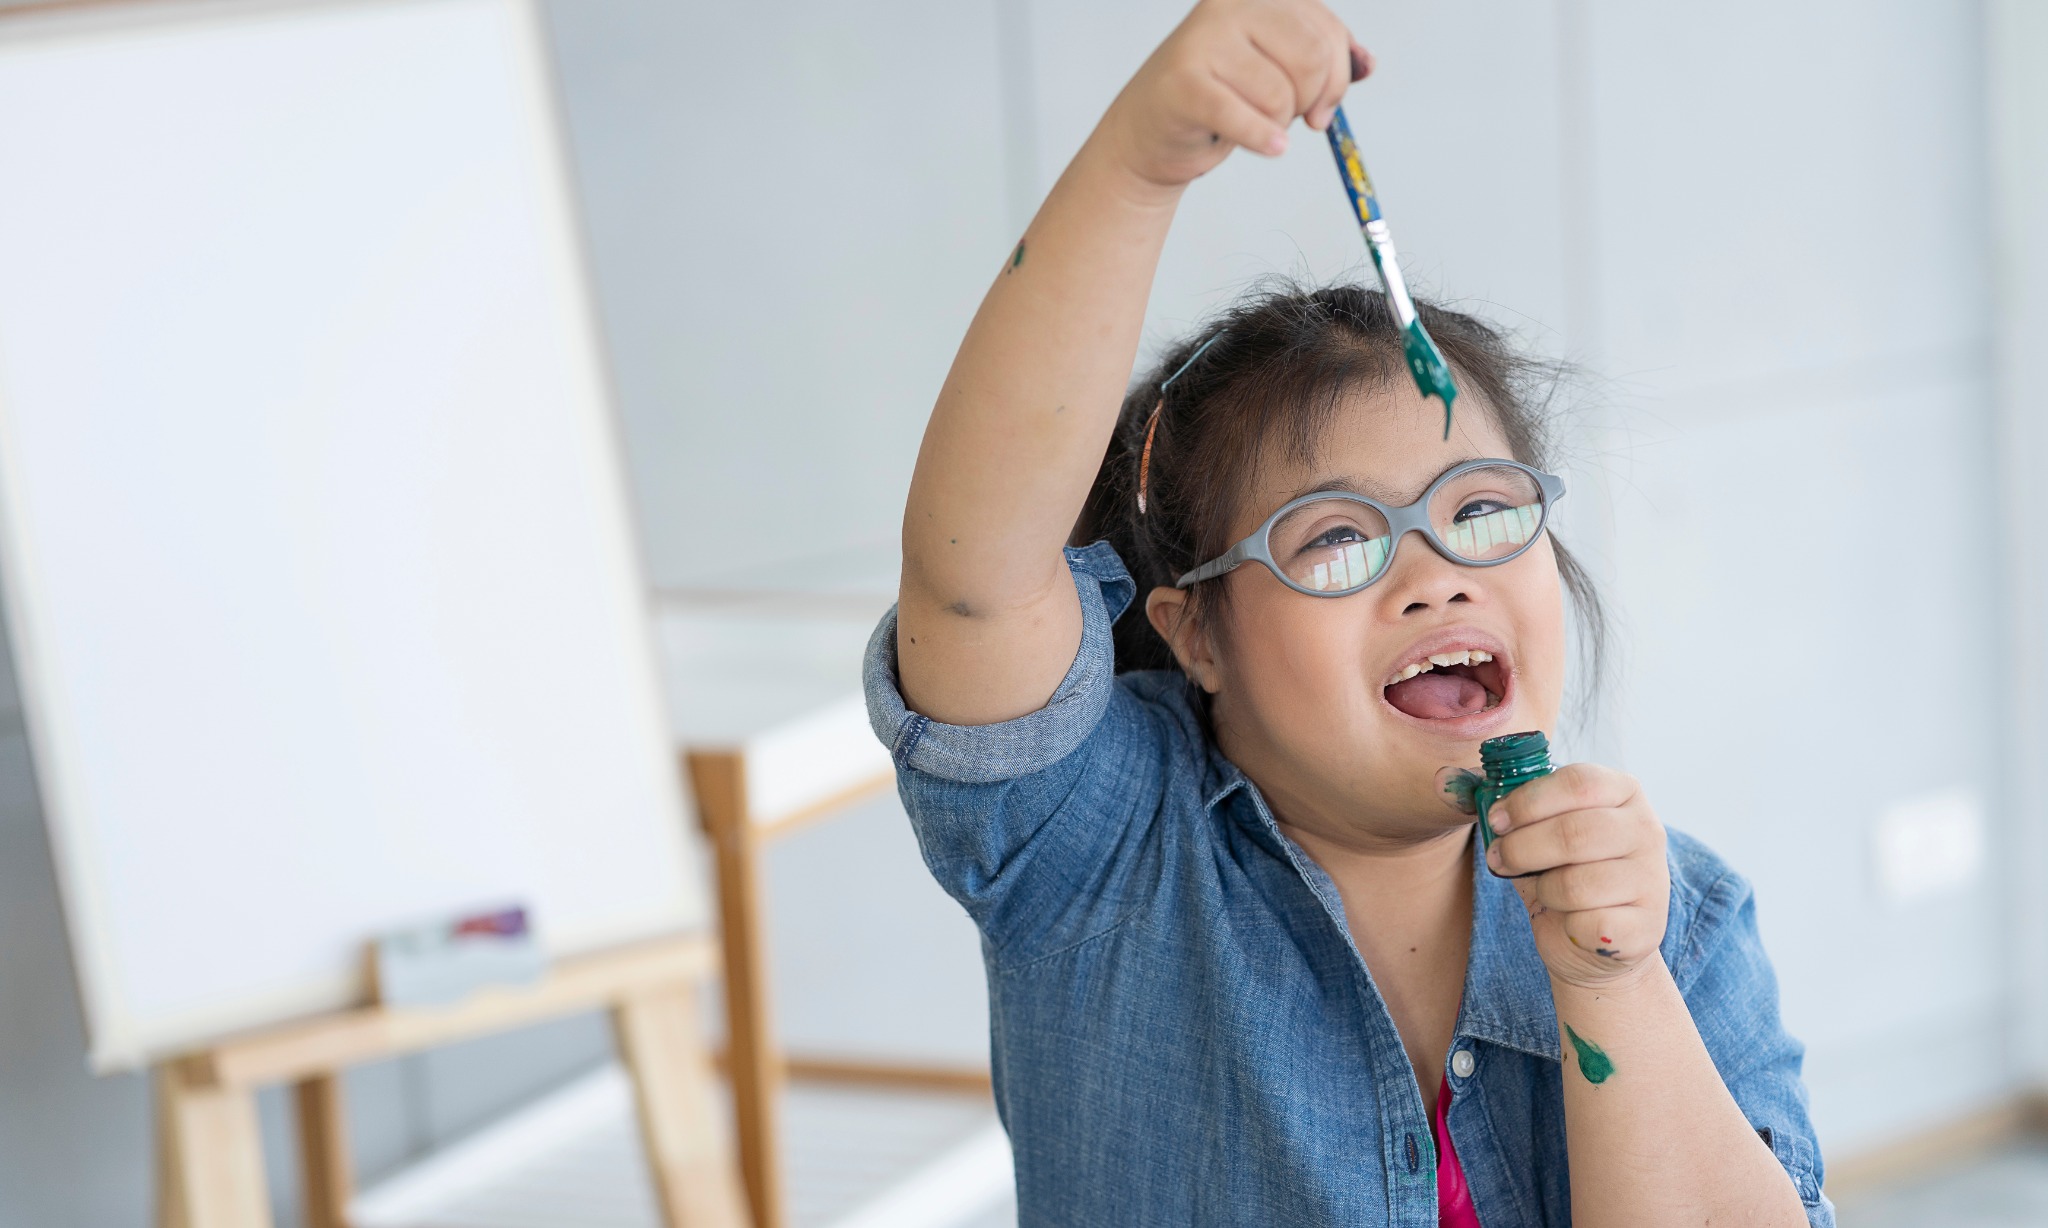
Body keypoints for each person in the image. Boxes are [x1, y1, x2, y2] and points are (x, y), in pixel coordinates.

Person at [864, 1, 1830, 1222]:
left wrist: (1613, 983)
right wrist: (1140, 162)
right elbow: (972, 578)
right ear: (1193, 632)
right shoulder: (1106, 852)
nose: (1434, 575)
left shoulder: (1677, 923)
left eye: (1479, 511)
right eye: (1336, 539)